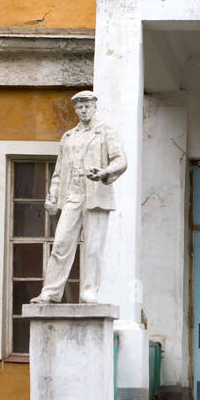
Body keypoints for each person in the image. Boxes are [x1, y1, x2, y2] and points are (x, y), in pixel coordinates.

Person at [32, 90, 127, 304]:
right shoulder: (68, 137)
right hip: (72, 196)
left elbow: (121, 160)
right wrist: (53, 195)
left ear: (95, 107)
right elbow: (59, 171)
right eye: (80, 107)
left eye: (87, 106)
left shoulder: (105, 133)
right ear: (76, 110)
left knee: (93, 249)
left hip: (96, 196)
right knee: (61, 243)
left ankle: (89, 291)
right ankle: (51, 292)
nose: (84, 110)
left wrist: (105, 172)